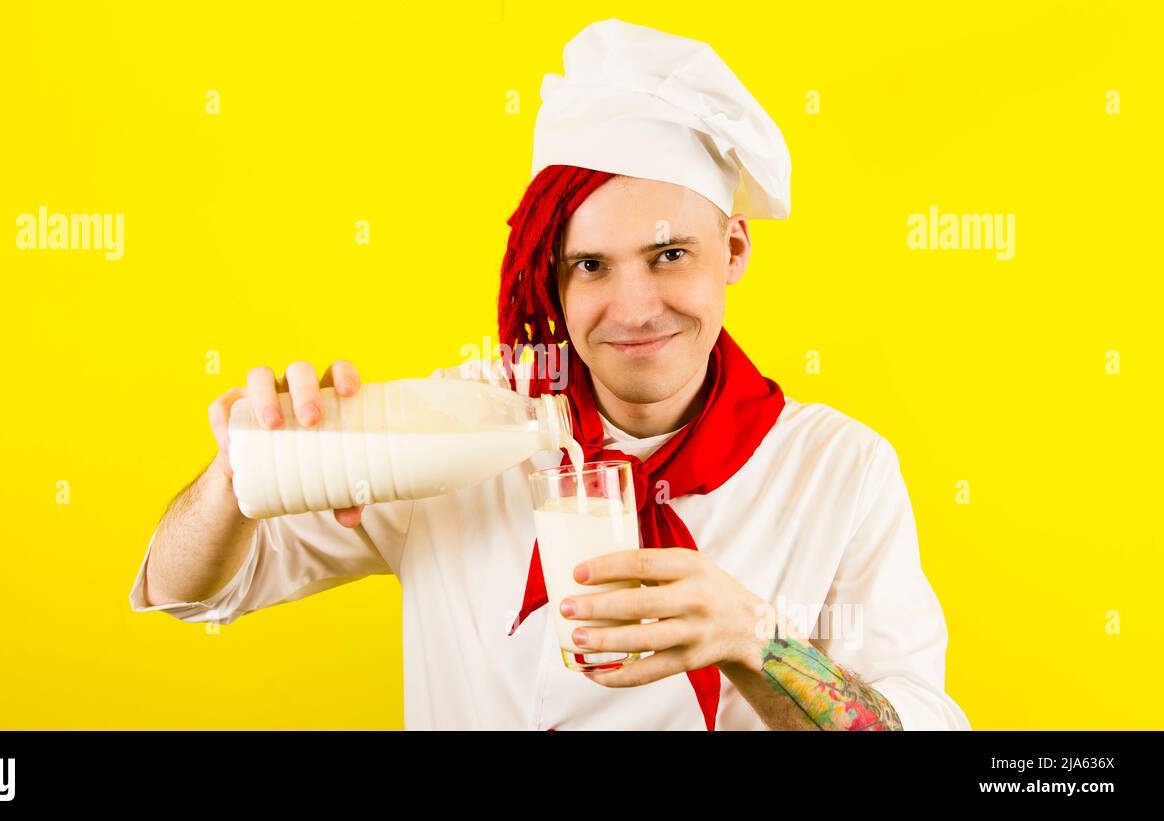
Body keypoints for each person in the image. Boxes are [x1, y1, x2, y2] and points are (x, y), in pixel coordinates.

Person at [129, 18, 970, 731]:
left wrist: (754, 637)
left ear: (734, 251)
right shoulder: (464, 426)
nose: (635, 308)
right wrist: (243, 474)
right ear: (550, 278)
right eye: (591, 266)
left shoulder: (840, 470)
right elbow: (185, 591)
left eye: (670, 254)